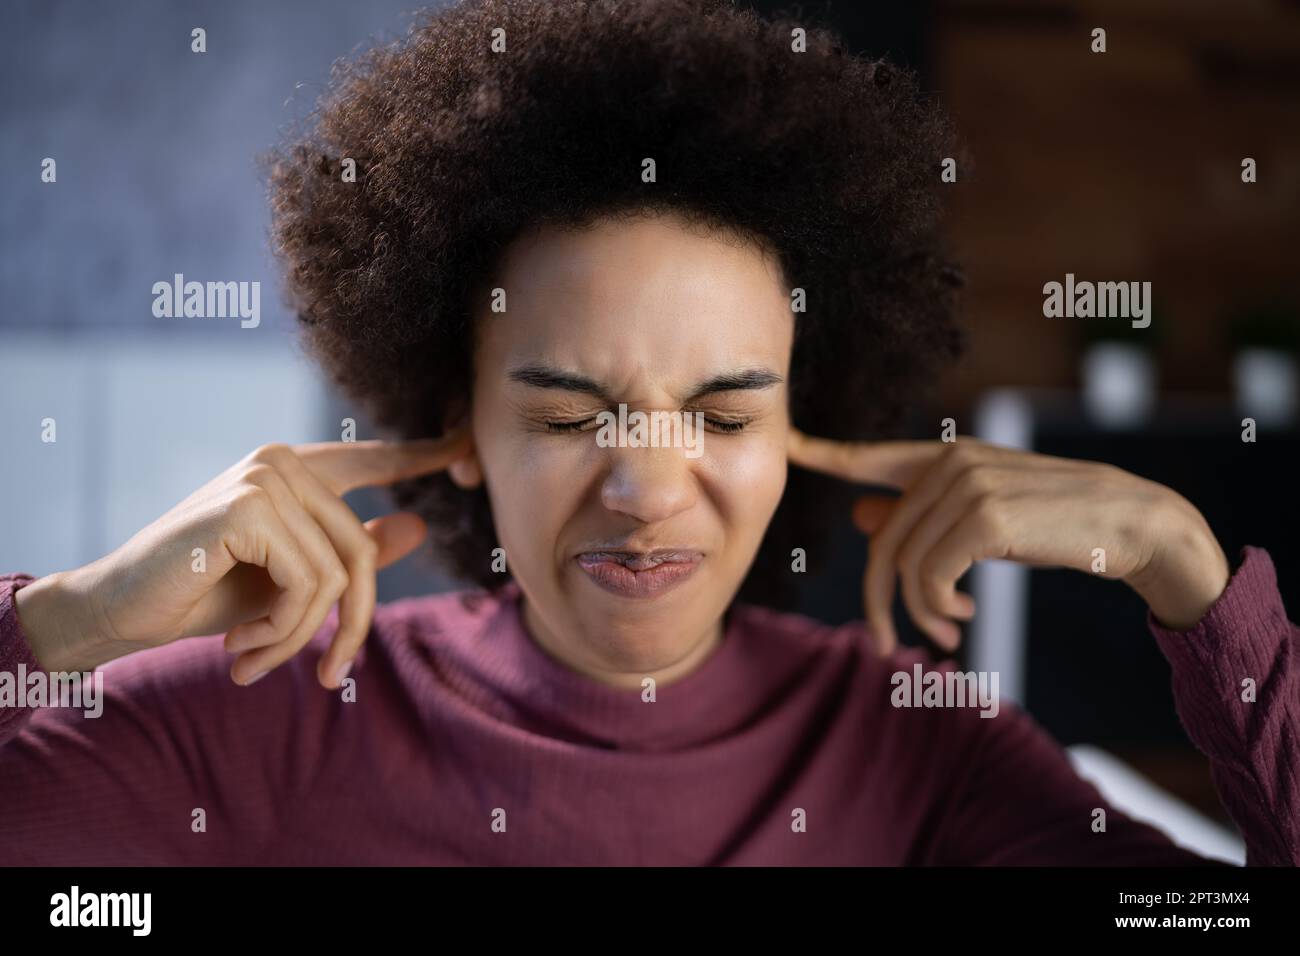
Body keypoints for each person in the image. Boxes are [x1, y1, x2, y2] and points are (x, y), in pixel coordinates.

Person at [2, 0, 1296, 865]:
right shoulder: (265, 712)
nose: (644, 487)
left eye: (724, 412)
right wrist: (71, 619)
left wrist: (1179, 561)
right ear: (457, 426)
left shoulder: (917, 741)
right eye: (569, 412)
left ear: (807, 421)